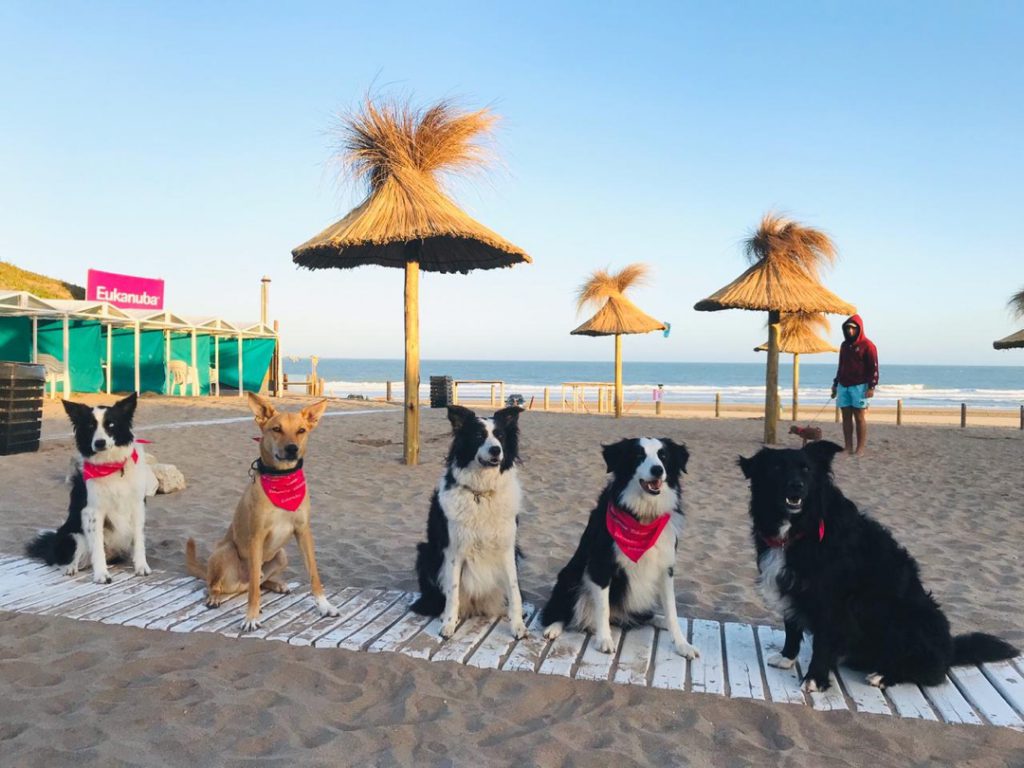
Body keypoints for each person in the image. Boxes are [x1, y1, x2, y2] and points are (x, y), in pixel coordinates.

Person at [830, 314, 878, 455]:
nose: (850, 331)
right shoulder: (844, 345)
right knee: (845, 417)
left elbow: (874, 367)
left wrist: (872, 386)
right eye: (847, 328)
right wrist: (835, 384)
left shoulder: (868, 345)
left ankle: (860, 448)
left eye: (853, 328)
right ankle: (848, 447)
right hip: (843, 385)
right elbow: (841, 366)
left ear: (859, 329)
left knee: (859, 416)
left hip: (860, 385)